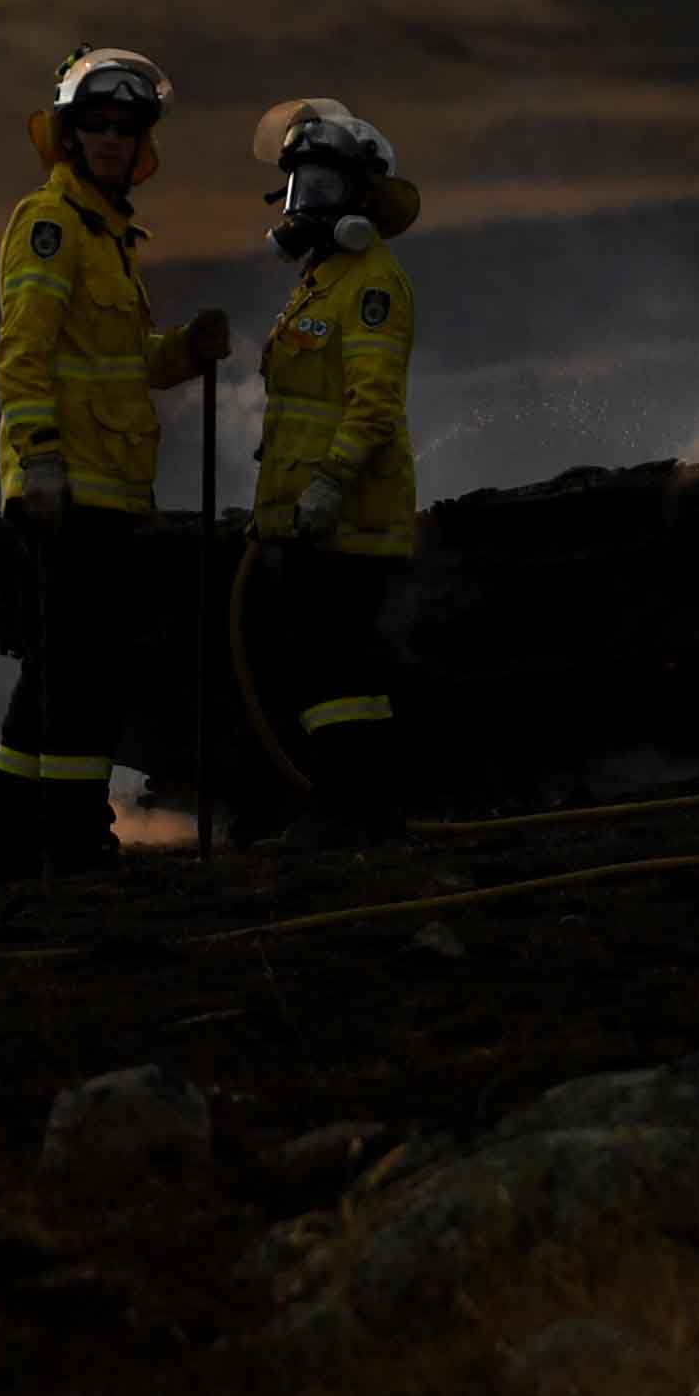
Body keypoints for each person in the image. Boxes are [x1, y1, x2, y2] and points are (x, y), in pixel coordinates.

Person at [0, 48, 226, 878]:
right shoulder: (51, 226)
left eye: (127, 127)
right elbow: (23, 352)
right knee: (81, 677)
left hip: (109, 491)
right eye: (97, 124)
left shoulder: (108, 236)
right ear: (68, 133)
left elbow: (119, 363)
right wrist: (41, 463)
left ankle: (13, 834)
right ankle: (68, 838)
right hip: (70, 488)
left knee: (66, 666)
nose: (114, 138)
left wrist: (184, 352)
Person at [240, 100, 425, 841]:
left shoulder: (372, 287)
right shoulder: (321, 283)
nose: (303, 207)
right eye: (297, 189)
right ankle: (355, 808)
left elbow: (372, 405)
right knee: (324, 668)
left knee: (338, 671)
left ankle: (352, 812)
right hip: (309, 520)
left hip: (346, 517)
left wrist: (327, 485)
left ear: (361, 201)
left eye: (321, 188)